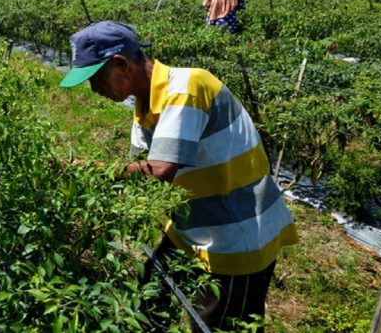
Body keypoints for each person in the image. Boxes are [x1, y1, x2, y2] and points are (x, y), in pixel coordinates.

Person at [59, 20, 297, 332]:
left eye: (95, 78)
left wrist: (83, 168)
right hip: (192, 227)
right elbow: (141, 174)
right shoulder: (144, 104)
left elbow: (158, 172)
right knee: (149, 299)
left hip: (237, 236)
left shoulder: (187, 87)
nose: (94, 89)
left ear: (120, 64)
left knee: (217, 324)